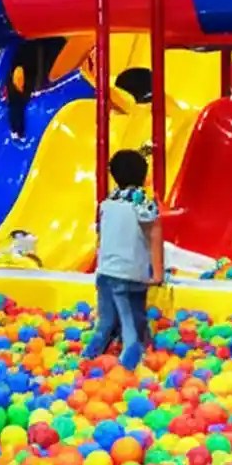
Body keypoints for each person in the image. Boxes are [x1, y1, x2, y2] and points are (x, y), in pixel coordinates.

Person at [83, 150, 164, 371]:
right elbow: (155, 235)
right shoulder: (144, 204)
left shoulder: (107, 202)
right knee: (133, 320)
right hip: (131, 274)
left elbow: (103, 237)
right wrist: (158, 273)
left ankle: (86, 359)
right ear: (144, 175)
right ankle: (133, 359)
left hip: (106, 273)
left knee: (106, 322)